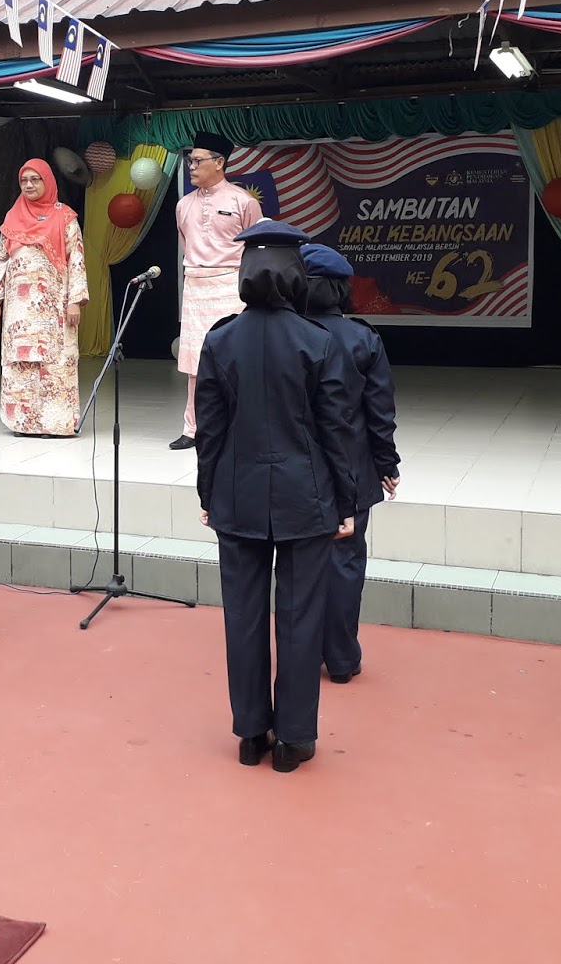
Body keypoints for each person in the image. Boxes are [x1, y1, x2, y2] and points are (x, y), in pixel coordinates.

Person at [195, 221, 358, 774]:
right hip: (306, 498)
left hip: (236, 498)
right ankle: (293, 738)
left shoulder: (219, 340)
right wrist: (346, 502)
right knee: (299, 615)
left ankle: (250, 732)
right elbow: (337, 430)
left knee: (242, 617)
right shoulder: (319, 341)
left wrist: (206, 493)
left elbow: (209, 431)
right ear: (296, 279)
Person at [301, 243, 400, 684]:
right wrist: (386, 463)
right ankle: (341, 659)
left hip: (298, 470)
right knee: (345, 565)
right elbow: (380, 413)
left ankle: (300, 652)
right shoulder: (363, 338)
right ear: (341, 290)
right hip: (353, 471)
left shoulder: (286, 334)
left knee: (298, 565)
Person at [172, 131, 262, 450]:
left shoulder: (243, 201)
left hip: (231, 285)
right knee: (195, 362)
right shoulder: (183, 205)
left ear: (219, 163)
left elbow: (257, 248)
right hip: (196, 284)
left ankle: (242, 425)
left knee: (235, 360)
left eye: (198, 160)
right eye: (190, 160)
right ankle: (192, 428)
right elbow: (187, 246)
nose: (191, 166)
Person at [0, 158, 87, 436]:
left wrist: (74, 301)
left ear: (48, 181)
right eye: (24, 180)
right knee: (21, 362)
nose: (29, 185)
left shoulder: (64, 216)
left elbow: (77, 260)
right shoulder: (12, 217)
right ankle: (23, 423)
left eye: (35, 179)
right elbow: (1, 260)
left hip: (53, 306)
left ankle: (54, 424)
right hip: (19, 309)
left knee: (53, 364)